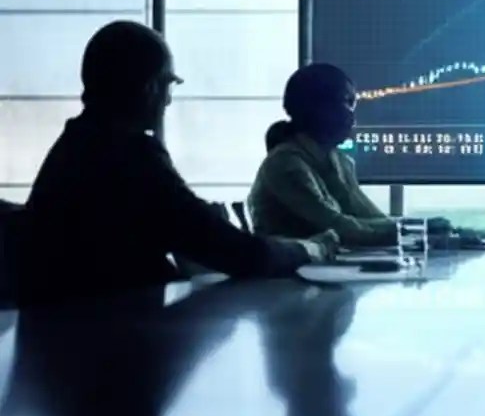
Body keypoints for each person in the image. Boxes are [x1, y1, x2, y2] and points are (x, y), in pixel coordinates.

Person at [14, 21, 332, 303]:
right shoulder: (130, 154)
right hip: (103, 346)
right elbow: (238, 253)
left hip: (66, 348)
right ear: (150, 87)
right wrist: (311, 249)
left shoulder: (76, 146)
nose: (168, 100)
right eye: (169, 84)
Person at [248, 63, 398, 247]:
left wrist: (413, 228)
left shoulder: (340, 161)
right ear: (316, 107)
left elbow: (369, 216)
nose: (352, 116)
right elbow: (336, 227)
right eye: (346, 102)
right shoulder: (285, 164)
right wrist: (408, 232)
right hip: (289, 274)